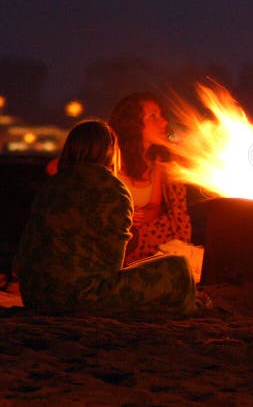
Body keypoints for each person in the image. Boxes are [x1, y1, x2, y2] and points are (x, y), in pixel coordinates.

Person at [13, 120, 199, 315]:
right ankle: (191, 309)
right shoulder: (114, 190)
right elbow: (112, 267)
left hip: (34, 294)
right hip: (79, 297)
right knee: (178, 265)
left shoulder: (51, 186)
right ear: (110, 151)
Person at [108, 93, 193, 266]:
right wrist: (123, 215)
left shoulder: (158, 161)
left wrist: (140, 216)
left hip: (140, 236)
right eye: (153, 116)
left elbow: (154, 206)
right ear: (133, 124)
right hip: (110, 236)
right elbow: (55, 167)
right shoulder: (109, 155)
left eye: (162, 116)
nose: (164, 122)